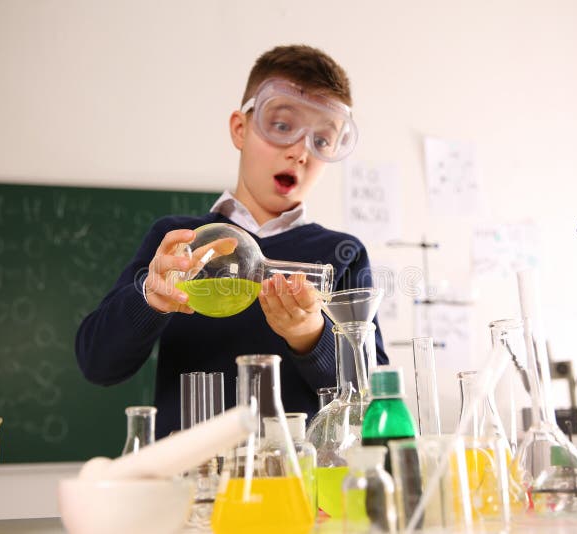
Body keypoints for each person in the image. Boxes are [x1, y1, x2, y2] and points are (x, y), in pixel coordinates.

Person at [76, 44, 388, 439]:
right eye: (281, 126)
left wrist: (310, 335)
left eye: (322, 141)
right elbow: (97, 363)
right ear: (241, 129)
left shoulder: (342, 255)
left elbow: (371, 396)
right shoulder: (176, 243)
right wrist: (149, 299)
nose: (299, 152)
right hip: (193, 484)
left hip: (299, 484)